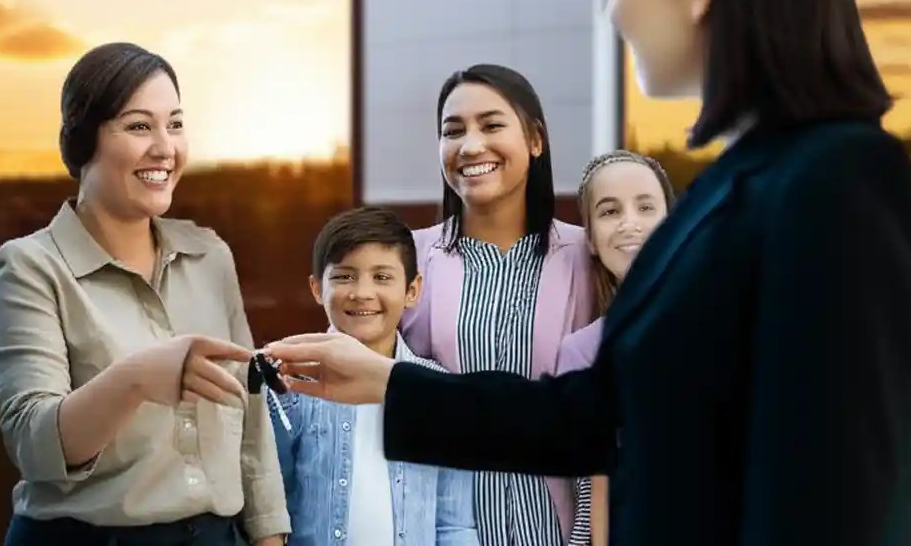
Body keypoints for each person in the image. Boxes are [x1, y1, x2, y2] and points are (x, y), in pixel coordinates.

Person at [263, 0, 911, 544]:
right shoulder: (733, 189)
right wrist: (389, 383)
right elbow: (593, 414)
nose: (612, 6)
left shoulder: (836, 183)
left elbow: (831, 500)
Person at [0, 42, 289, 546]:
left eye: (175, 124)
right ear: (84, 140)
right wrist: (138, 379)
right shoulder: (29, 267)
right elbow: (33, 445)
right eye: (139, 126)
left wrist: (268, 537)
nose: (165, 148)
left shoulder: (210, 257)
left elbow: (250, 417)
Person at [401, 63, 594, 545]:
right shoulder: (405, 260)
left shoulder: (589, 259)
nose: (470, 146)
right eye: (453, 131)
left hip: (559, 532)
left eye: (491, 125)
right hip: (444, 532)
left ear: (534, 139)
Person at [268, 206, 479, 546]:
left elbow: (454, 524)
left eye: (382, 277)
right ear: (316, 288)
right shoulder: (288, 385)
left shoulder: (440, 393)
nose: (362, 292)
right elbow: (266, 511)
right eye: (343, 276)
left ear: (412, 290)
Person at [555, 150, 676, 546]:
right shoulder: (581, 352)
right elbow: (597, 483)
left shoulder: (725, 323)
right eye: (609, 212)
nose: (629, 224)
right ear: (590, 239)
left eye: (646, 207)